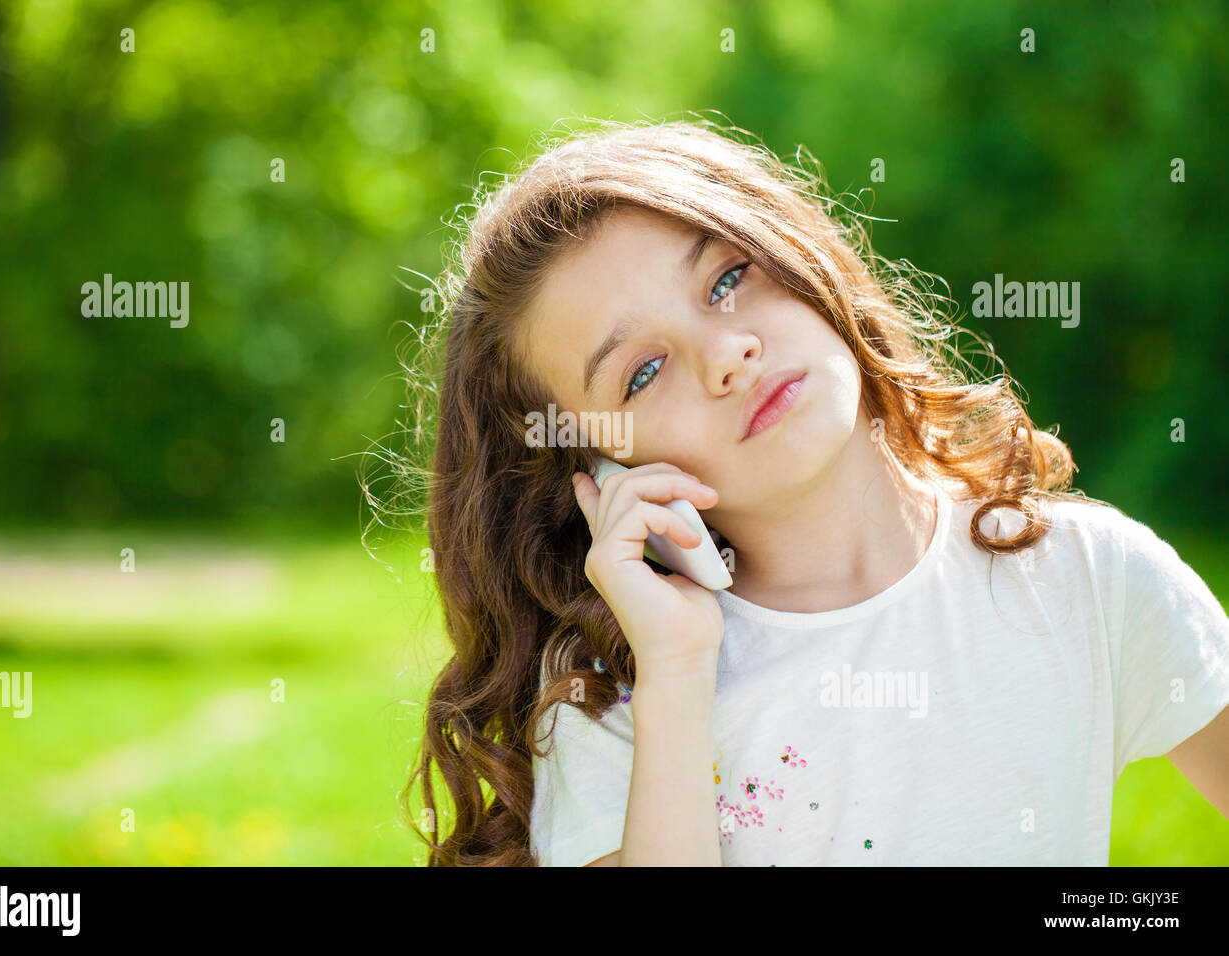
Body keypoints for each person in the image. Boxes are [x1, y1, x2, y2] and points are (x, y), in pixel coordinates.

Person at [395, 118, 1229, 866]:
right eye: (644, 372)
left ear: (802, 258)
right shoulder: (614, 695)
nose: (728, 354)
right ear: (595, 475)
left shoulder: (1089, 580)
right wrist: (678, 673)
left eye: (727, 280)